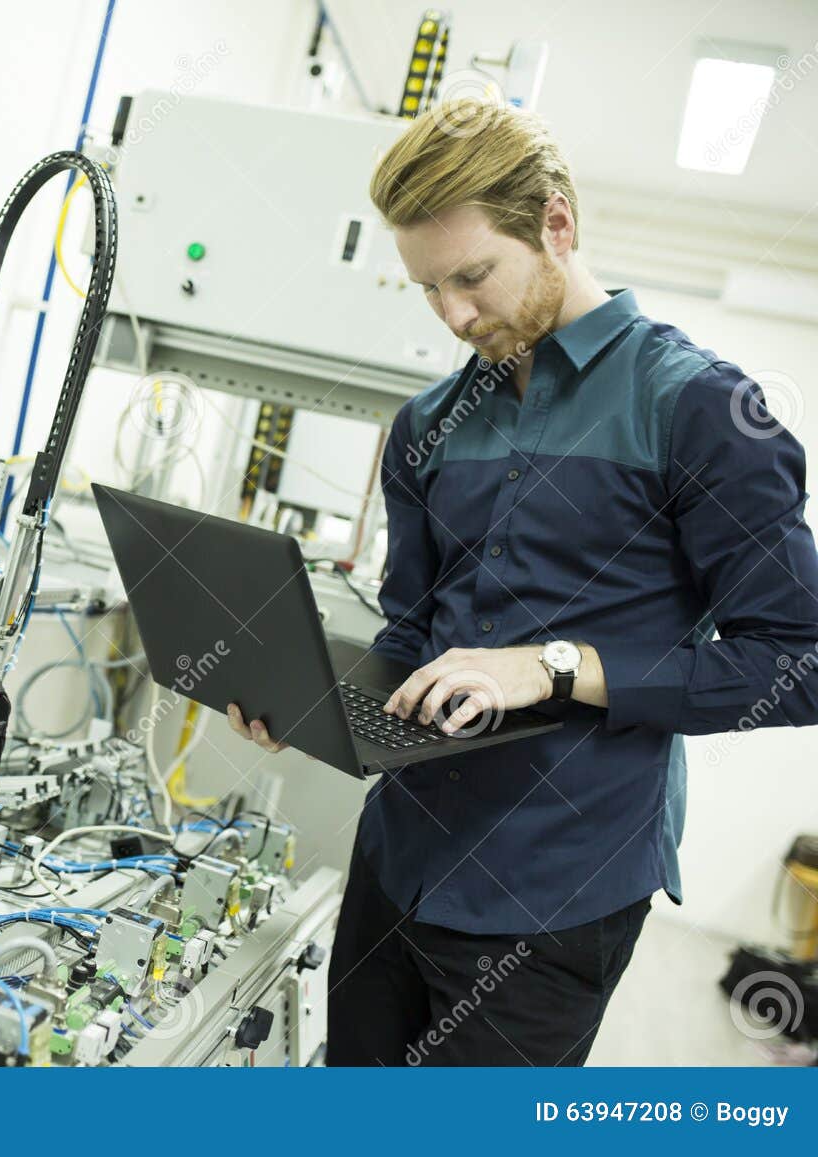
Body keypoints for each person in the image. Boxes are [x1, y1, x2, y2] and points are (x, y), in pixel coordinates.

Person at [227, 98, 818, 1065]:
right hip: (397, 860)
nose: (455, 315)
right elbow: (411, 633)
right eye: (428, 289)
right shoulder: (428, 425)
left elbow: (799, 661)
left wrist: (554, 666)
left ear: (556, 223)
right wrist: (310, 700)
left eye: (472, 276)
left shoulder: (701, 410)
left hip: (554, 892)